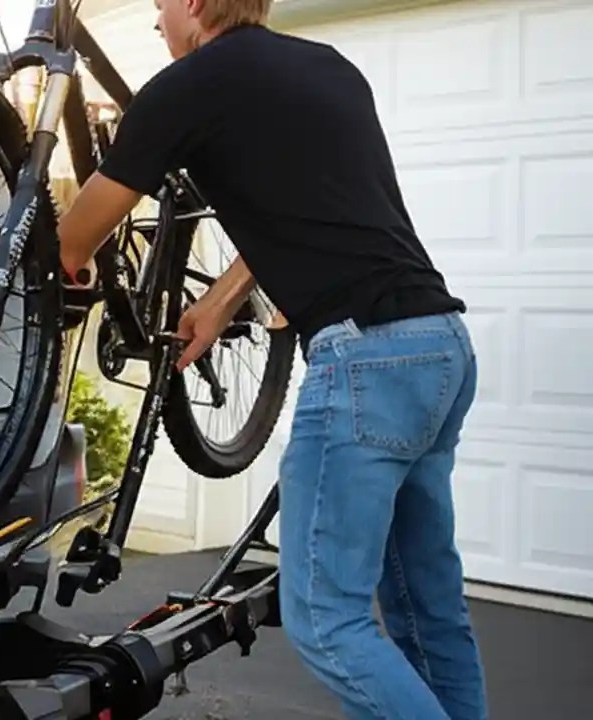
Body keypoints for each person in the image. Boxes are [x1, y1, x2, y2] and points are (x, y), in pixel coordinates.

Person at [53, 0, 488, 718]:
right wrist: (221, 299)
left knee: (327, 621)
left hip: (363, 361)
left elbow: (72, 244)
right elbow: (313, 208)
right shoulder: (332, 70)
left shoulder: (187, 85)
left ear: (195, 3)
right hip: (439, 346)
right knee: (427, 608)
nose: (157, 21)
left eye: (161, 4)